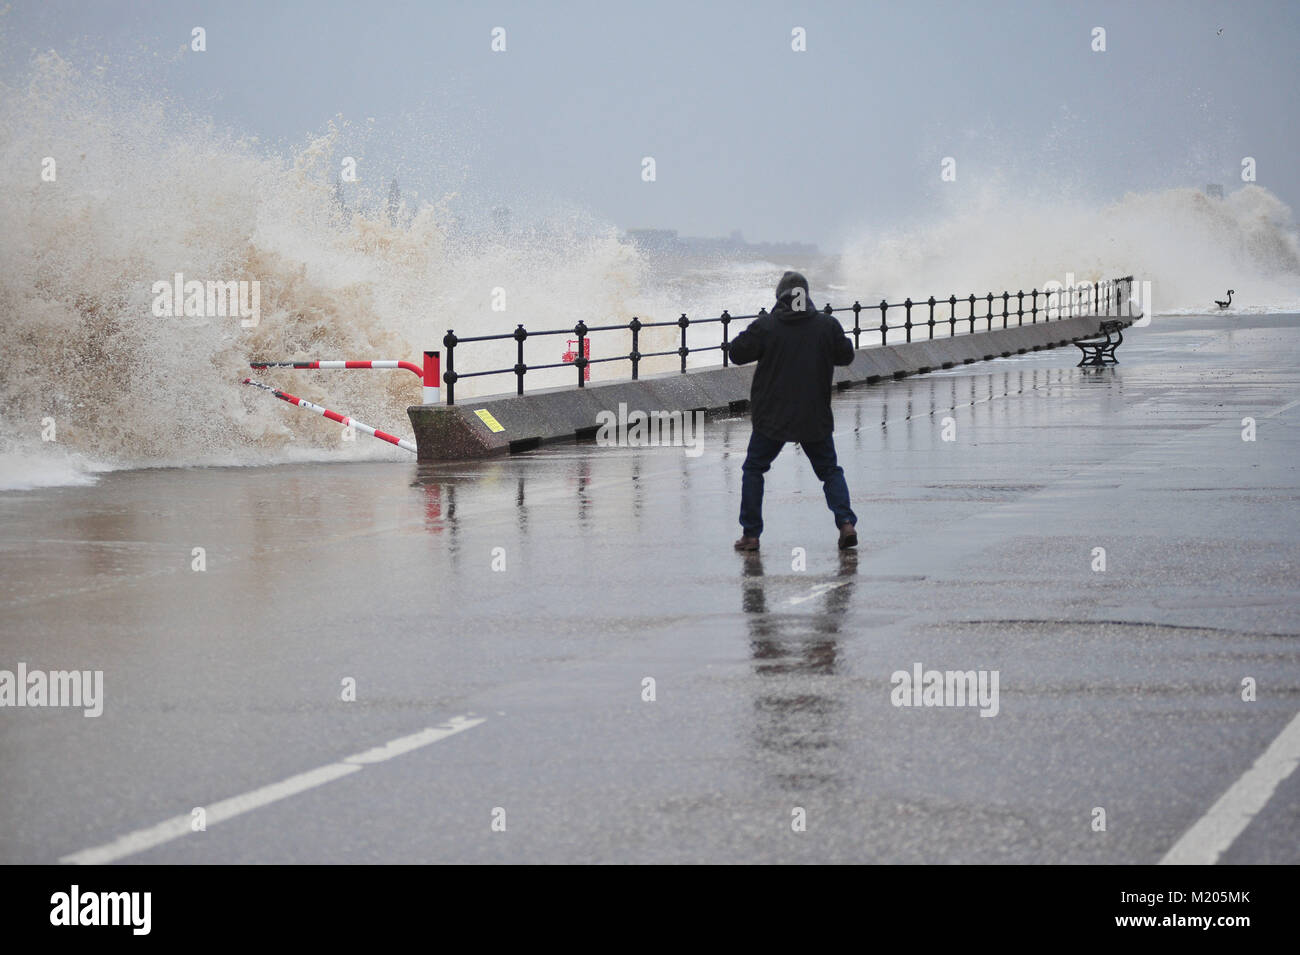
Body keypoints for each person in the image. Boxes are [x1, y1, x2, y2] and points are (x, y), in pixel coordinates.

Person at [728, 271, 857, 551]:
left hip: (771, 418)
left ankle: (750, 535)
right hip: (814, 415)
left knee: (754, 469)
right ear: (806, 296)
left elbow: (736, 353)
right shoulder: (826, 325)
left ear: (780, 297)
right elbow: (846, 355)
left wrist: (758, 326)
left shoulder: (768, 326)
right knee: (830, 471)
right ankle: (846, 522)